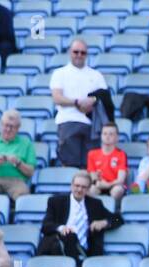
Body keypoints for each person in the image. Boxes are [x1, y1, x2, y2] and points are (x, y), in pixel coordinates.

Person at [37, 171, 124, 263]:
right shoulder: (56, 202)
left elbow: (118, 219)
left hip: (85, 252)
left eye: (83, 187)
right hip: (61, 245)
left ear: (89, 189)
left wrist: (105, 222)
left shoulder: (95, 205)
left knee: (71, 238)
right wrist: (61, 228)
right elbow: (45, 225)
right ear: (71, 185)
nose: (79, 190)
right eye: (77, 186)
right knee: (68, 236)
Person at [50, 39, 108, 170]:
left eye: (83, 52)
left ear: (86, 54)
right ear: (70, 52)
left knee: (90, 167)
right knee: (70, 165)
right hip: (68, 122)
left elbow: (103, 96)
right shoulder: (60, 73)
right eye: (76, 52)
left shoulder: (96, 74)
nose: (79, 55)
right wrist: (77, 102)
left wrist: (91, 101)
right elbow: (57, 97)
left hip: (91, 125)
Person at [87, 123, 129, 203]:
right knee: (91, 189)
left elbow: (121, 179)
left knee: (118, 190)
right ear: (101, 136)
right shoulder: (92, 154)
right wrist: (97, 182)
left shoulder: (121, 154)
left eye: (111, 134)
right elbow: (93, 177)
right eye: (105, 133)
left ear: (117, 137)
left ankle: (113, 212)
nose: (107, 136)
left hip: (114, 185)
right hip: (99, 185)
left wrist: (108, 185)